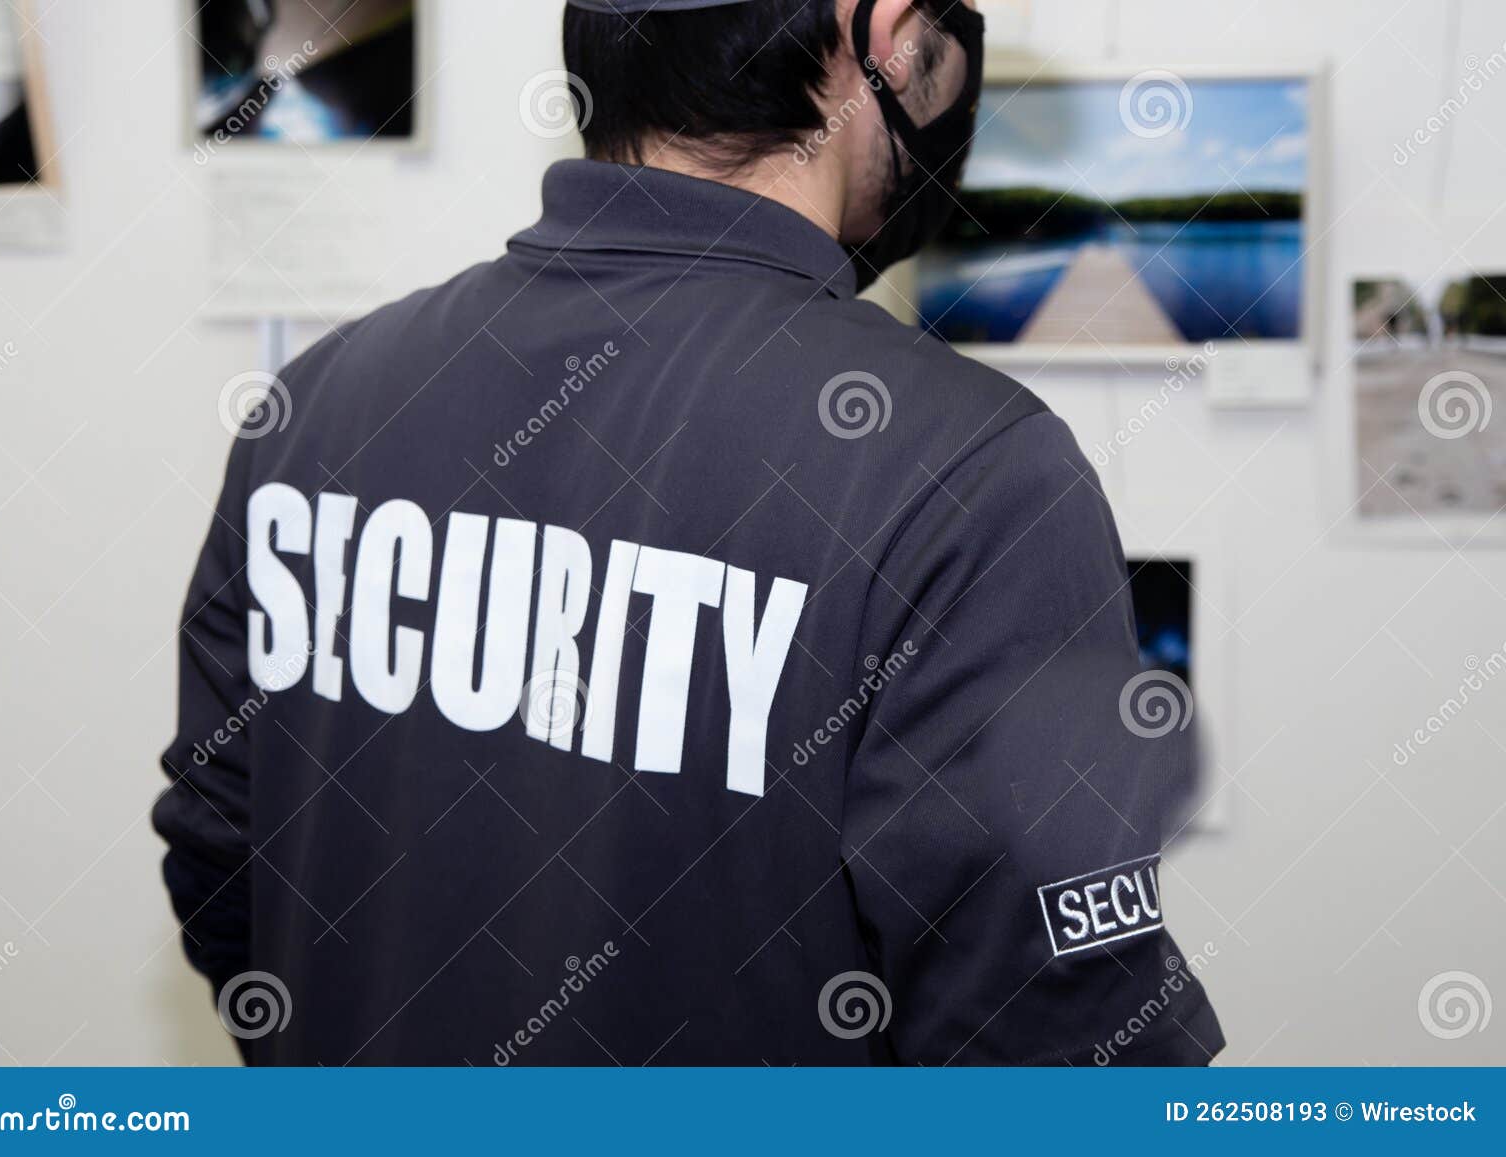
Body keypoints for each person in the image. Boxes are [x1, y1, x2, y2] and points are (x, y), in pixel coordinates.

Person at [153, 0, 1223, 1066]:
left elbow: (223, 864)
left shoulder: (325, 404)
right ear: (887, 36)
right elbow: (1058, 1048)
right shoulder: (971, 473)